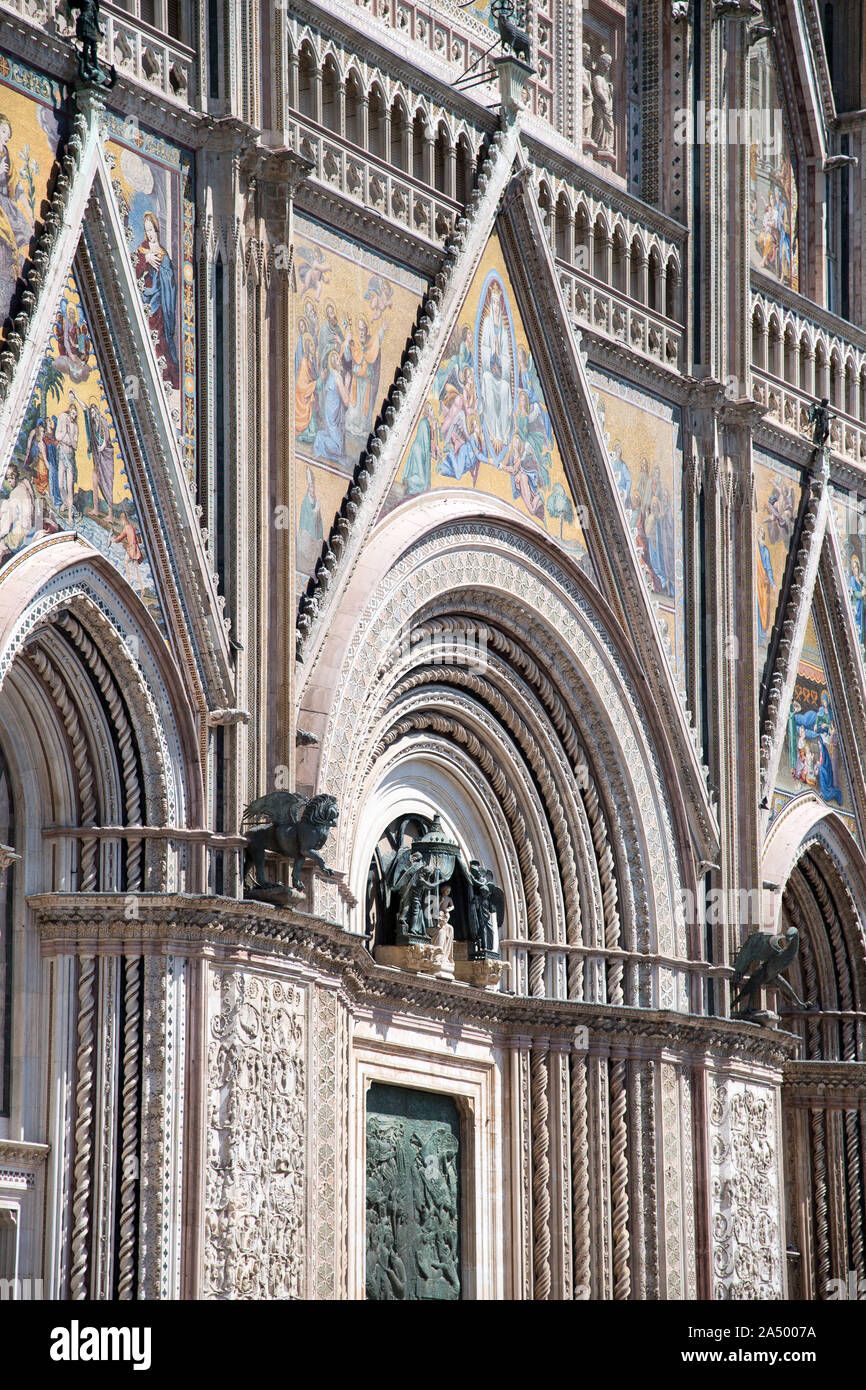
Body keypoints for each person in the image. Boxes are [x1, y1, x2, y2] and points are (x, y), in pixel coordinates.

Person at [136, 210, 179, 387]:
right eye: (147, 230)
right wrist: (146, 259)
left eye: (152, 230)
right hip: (146, 294)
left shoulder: (163, 254)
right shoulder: (142, 249)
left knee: (160, 336)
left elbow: (170, 279)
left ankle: (164, 373)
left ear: (156, 230)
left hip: (159, 300)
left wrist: (162, 271)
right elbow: (136, 268)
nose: (150, 234)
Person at [478, 279, 514, 455]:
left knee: (506, 387)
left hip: (500, 375)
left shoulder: (505, 332)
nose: (496, 307)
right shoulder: (486, 325)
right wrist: (492, 353)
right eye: (493, 303)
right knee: (486, 379)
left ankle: (501, 431)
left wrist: (500, 356)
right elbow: (483, 350)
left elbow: (507, 359)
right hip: (488, 372)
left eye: (498, 304)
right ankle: (491, 428)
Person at [313, 348, 351, 464]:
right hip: (334, 416)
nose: (340, 361)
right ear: (334, 364)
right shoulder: (337, 377)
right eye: (337, 360)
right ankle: (320, 439)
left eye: (339, 359)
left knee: (335, 437)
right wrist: (347, 383)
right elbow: (346, 401)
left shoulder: (332, 375)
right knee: (338, 448)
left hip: (331, 414)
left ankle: (321, 437)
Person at [0, 465, 38, 562]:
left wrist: (1, 534)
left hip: (22, 532)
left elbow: (8, 521)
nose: (9, 483)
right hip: (31, 522)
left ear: (14, 477)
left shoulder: (14, 494)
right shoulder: (25, 483)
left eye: (9, 480)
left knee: (2, 543)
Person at [401, 402, 436, 495]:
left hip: (419, 450)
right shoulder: (424, 423)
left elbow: (429, 439)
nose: (433, 412)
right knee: (423, 481)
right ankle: (408, 481)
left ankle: (409, 481)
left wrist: (433, 429)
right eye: (432, 410)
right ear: (428, 411)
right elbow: (426, 442)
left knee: (420, 476)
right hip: (419, 451)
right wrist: (429, 455)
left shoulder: (426, 423)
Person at [55, 400, 79, 522]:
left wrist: (68, 436)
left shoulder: (75, 427)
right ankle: (65, 503)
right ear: (69, 412)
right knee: (60, 485)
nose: (74, 416)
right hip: (61, 455)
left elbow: (75, 446)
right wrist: (65, 433)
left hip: (70, 457)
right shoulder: (63, 419)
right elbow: (58, 436)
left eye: (76, 414)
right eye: (73, 413)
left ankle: (70, 513)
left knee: (69, 486)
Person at [111, 510, 145, 594]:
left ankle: (129, 583)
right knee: (136, 568)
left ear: (123, 519)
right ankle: (142, 588)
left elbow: (120, 538)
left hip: (131, 549)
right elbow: (139, 539)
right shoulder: (133, 527)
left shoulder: (126, 528)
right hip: (136, 549)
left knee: (126, 563)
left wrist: (113, 540)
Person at [756, 525, 775, 642]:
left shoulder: (764, 550)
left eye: (762, 532)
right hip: (755, 582)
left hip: (763, 584)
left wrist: (772, 583)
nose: (760, 534)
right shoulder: (754, 549)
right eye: (759, 531)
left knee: (763, 609)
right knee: (756, 607)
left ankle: (761, 637)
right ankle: (756, 636)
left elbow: (768, 568)